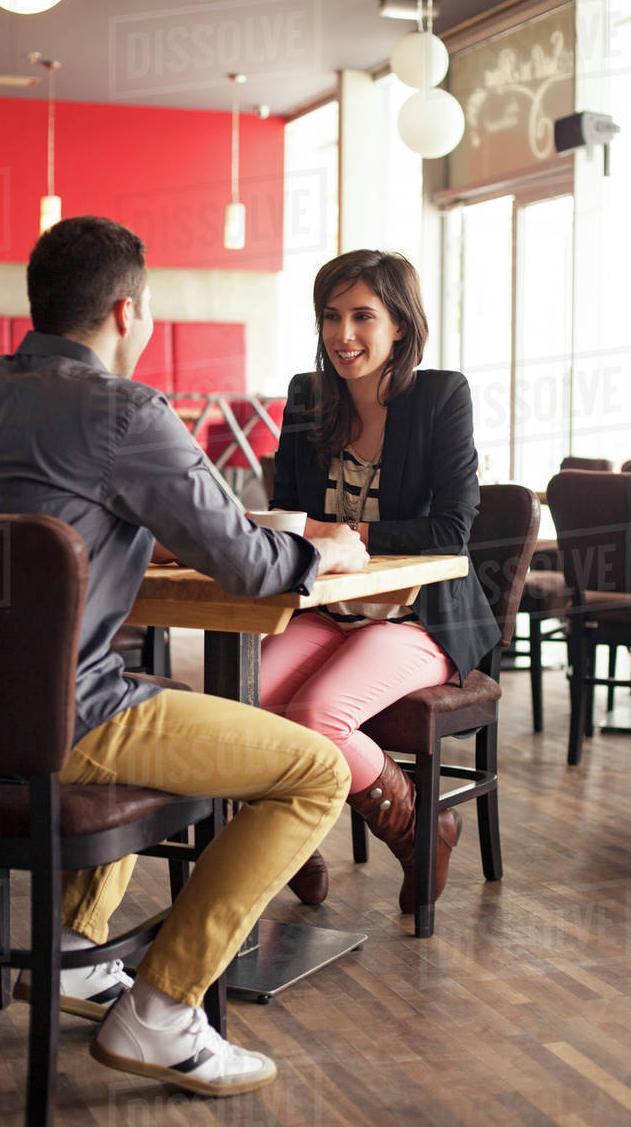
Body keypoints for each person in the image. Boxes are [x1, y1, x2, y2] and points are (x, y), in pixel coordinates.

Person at [0, 216, 368, 1098]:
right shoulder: (127, 410)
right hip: (63, 724)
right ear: (129, 311)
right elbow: (245, 561)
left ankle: (75, 958)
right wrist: (330, 554)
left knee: (146, 690)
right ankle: (162, 1010)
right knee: (316, 771)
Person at [260, 249, 500, 914]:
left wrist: (345, 537)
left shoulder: (440, 397)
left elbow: (451, 529)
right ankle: (285, 842)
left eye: (363, 316)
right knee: (245, 708)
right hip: (326, 611)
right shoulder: (308, 400)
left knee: (316, 714)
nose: (344, 335)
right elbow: (289, 513)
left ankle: (424, 828)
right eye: (331, 317)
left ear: (400, 323)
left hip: (419, 618)